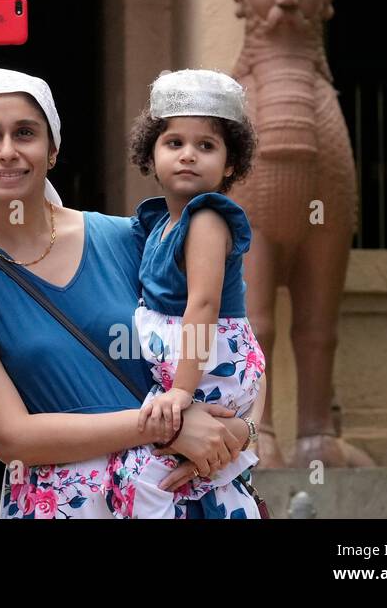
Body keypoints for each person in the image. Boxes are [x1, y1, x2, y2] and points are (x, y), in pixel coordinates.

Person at [0, 64, 267, 518]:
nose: (8, 152)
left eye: (26, 133)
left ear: (52, 150)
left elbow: (232, 337)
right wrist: (165, 427)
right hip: (64, 502)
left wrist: (246, 431)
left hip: (173, 490)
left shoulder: (132, 238)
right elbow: (12, 437)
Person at [105, 68, 266, 518]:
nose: (188, 155)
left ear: (230, 163)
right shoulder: (161, 222)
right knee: (154, 474)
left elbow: (204, 305)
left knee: (142, 475)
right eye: (174, 143)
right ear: (151, 153)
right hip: (194, 369)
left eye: (206, 146)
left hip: (207, 369)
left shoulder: (207, 219)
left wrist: (180, 391)